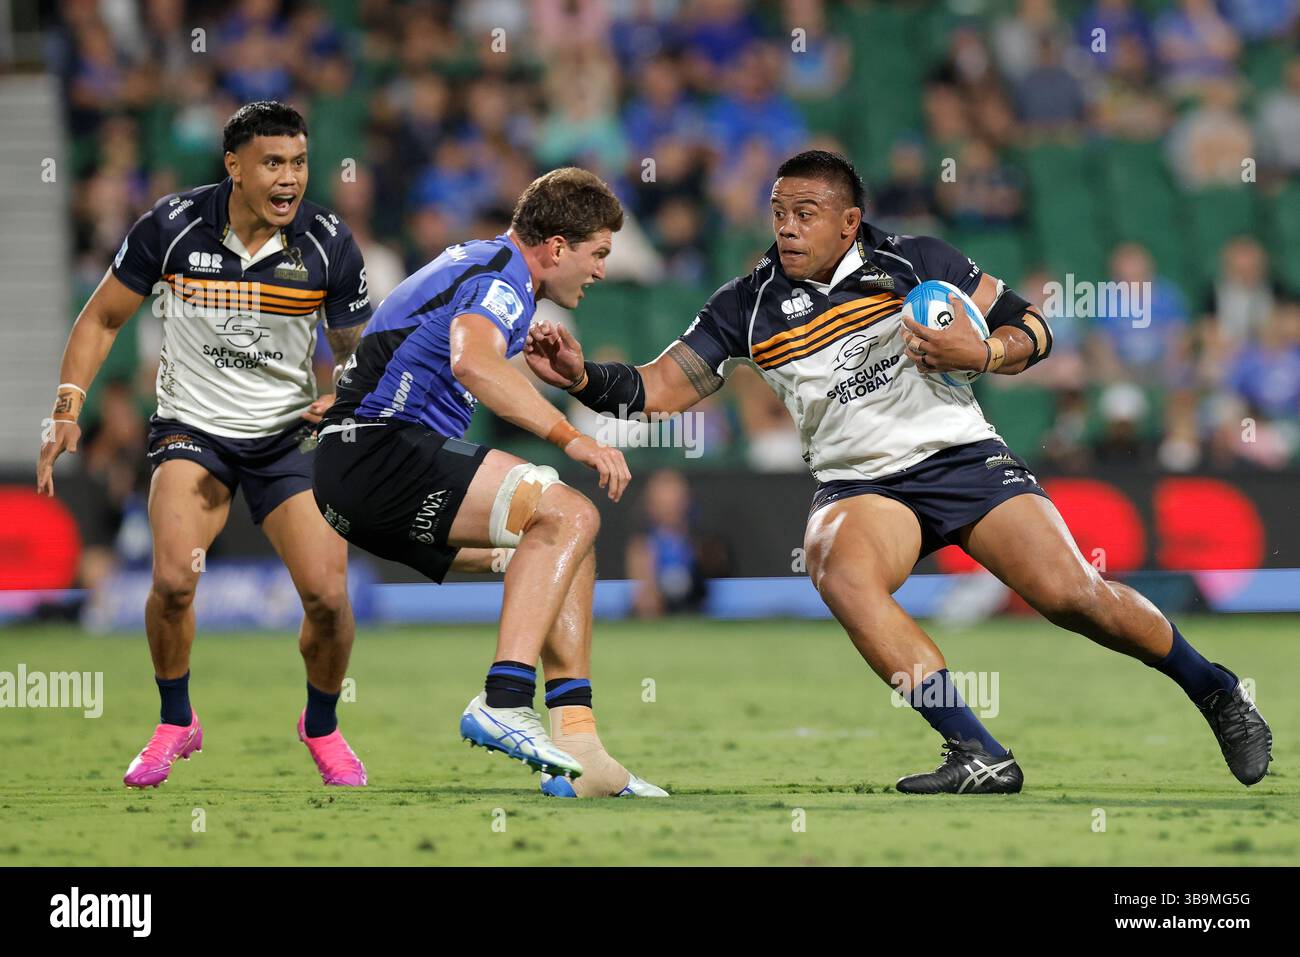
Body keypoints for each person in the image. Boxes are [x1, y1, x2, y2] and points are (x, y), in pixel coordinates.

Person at [526, 149, 1272, 793]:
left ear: (849, 222)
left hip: (962, 459)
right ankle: (976, 750)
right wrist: (579, 375)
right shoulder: (746, 305)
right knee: (836, 565)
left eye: (806, 212)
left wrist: (980, 355)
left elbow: (1033, 329)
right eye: (778, 210)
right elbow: (655, 388)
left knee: (1077, 596)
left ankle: (1217, 690)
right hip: (862, 484)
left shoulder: (919, 260)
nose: (786, 225)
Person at [37, 101, 373, 789]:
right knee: (173, 581)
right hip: (192, 430)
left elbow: (355, 355)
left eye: (300, 163)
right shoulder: (171, 224)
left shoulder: (328, 241)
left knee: (330, 600)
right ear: (235, 166)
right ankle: (174, 719)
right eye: (273, 163)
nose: (290, 179)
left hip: (287, 438)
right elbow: (102, 317)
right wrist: (68, 406)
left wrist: (346, 391)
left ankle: (321, 723)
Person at [312, 167, 665, 798]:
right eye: (598, 253)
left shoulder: (484, 265)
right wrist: (573, 436)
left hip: (358, 472)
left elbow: (411, 343)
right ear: (556, 247)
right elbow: (470, 361)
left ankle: (578, 748)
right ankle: (504, 698)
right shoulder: (503, 271)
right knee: (571, 513)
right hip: (382, 454)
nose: (602, 270)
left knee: (567, 550)